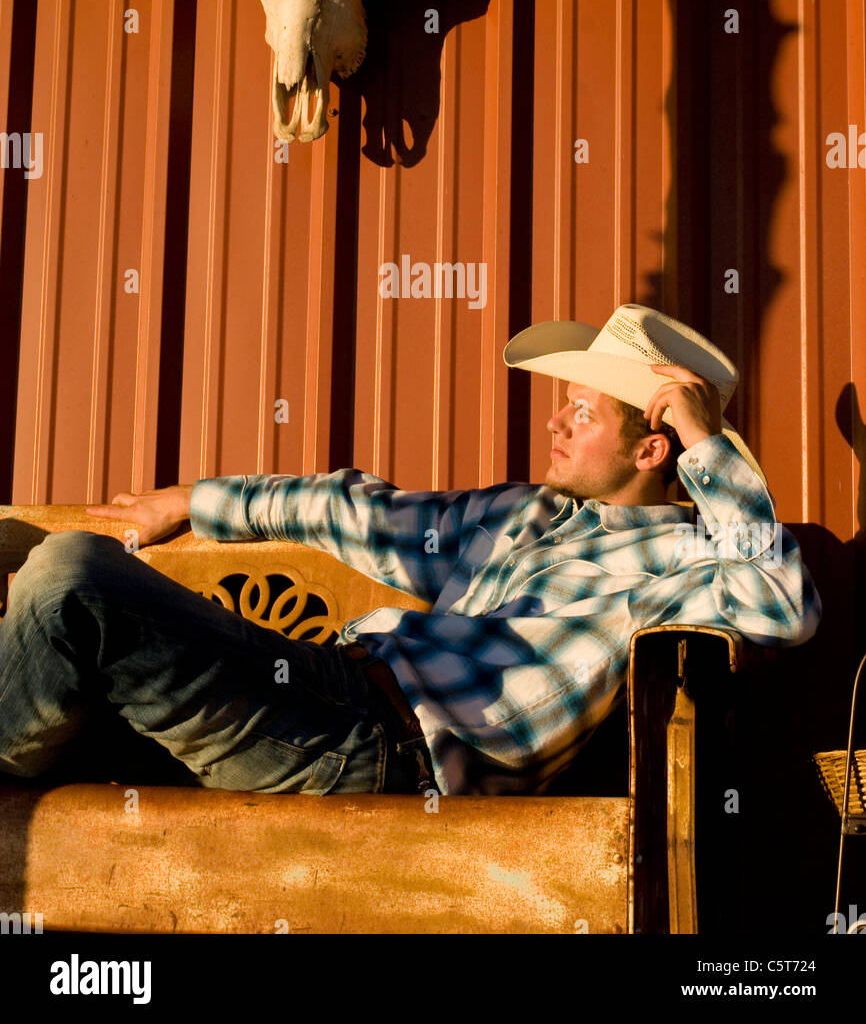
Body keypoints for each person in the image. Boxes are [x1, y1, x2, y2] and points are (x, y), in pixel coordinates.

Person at [0, 304, 821, 797]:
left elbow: (785, 608)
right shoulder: (522, 513)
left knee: (73, 576)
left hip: (382, 747)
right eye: (562, 407)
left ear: (652, 450)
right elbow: (354, 510)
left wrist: (705, 442)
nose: (555, 424)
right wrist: (192, 501)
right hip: (320, 686)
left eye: (584, 414)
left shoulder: (684, 562)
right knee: (54, 621)